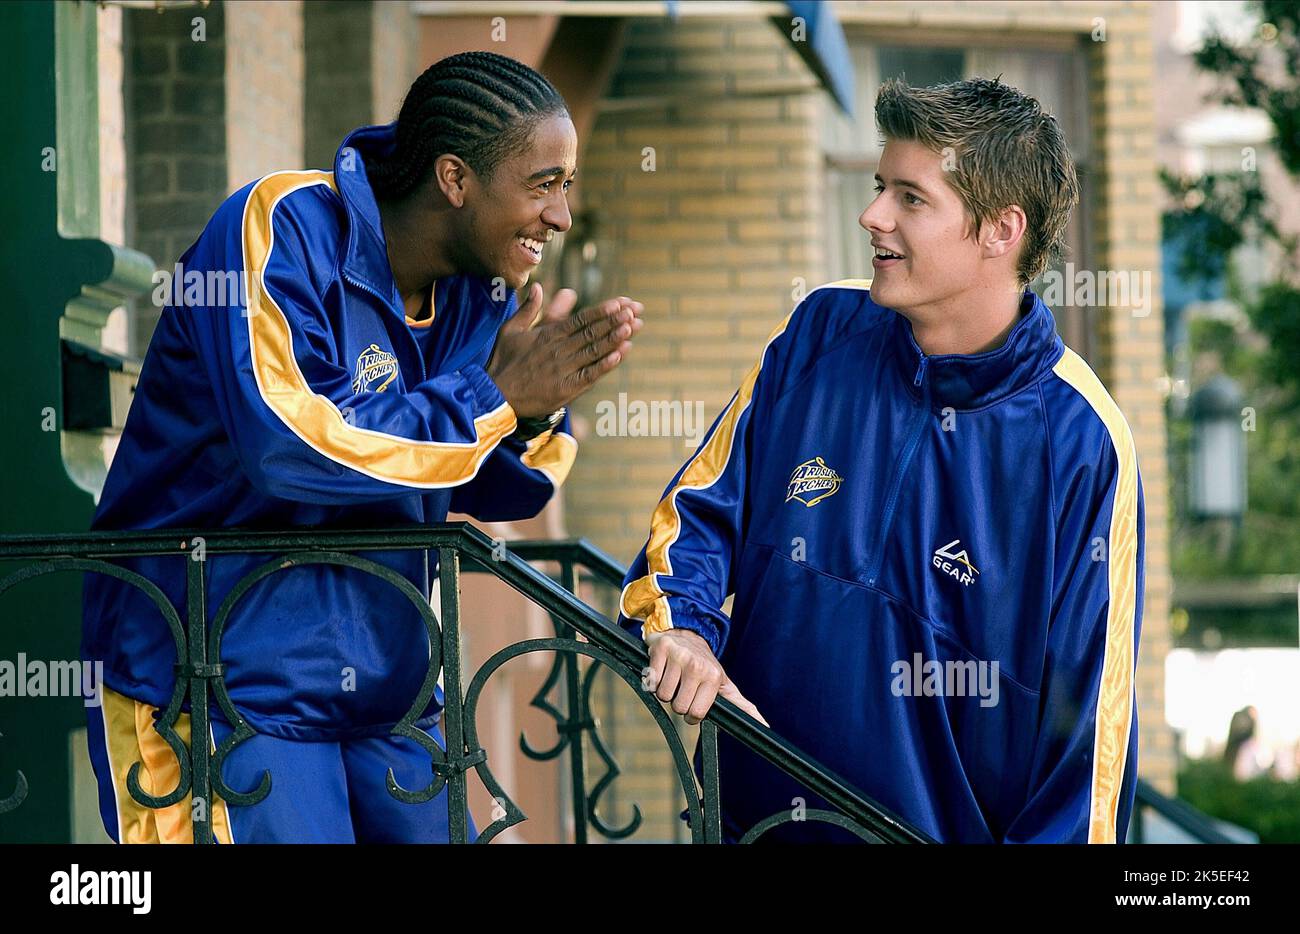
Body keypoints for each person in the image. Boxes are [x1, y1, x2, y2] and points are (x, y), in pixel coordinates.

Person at [82, 51, 643, 843]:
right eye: (544, 183)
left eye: (567, 186)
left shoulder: (479, 290)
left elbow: (503, 485)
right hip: (212, 680)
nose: (560, 215)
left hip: (387, 689)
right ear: (455, 178)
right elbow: (289, 442)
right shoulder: (280, 223)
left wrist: (533, 409)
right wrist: (496, 397)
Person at [619, 77, 1143, 843]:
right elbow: (696, 515)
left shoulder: (1084, 442)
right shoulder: (818, 331)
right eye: (877, 187)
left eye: (911, 197)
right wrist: (685, 629)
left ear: (1001, 229)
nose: (872, 216)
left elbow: (1088, 754)